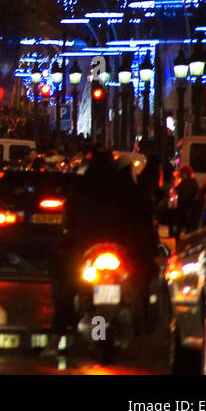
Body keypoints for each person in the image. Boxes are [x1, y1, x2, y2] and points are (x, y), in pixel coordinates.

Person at [49, 146, 158, 344]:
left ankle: (60, 328)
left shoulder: (82, 186)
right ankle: (143, 326)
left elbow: (70, 217)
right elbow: (143, 214)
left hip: (88, 245)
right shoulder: (125, 185)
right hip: (122, 245)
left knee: (66, 280)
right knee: (145, 277)